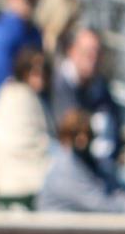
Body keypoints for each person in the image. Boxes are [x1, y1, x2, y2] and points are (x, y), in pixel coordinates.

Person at [37, 109, 125, 215]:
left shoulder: (84, 159)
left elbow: (109, 187)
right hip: (55, 231)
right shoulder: (65, 166)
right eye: (76, 134)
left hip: (77, 227)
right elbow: (101, 205)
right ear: (66, 136)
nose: (83, 140)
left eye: (87, 134)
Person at [0, 47, 52, 202]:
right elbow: (26, 141)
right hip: (16, 178)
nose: (39, 77)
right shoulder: (15, 96)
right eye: (33, 71)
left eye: (43, 71)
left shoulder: (35, 98)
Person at [49, 28, 120, 172]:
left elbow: (116, 129)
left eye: (97, 53)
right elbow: (69, 135)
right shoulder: (56, 85)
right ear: (72, 51)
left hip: (101, 168)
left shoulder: (100, 88)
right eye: (87, 52)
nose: (92, 58)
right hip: (67, 170)